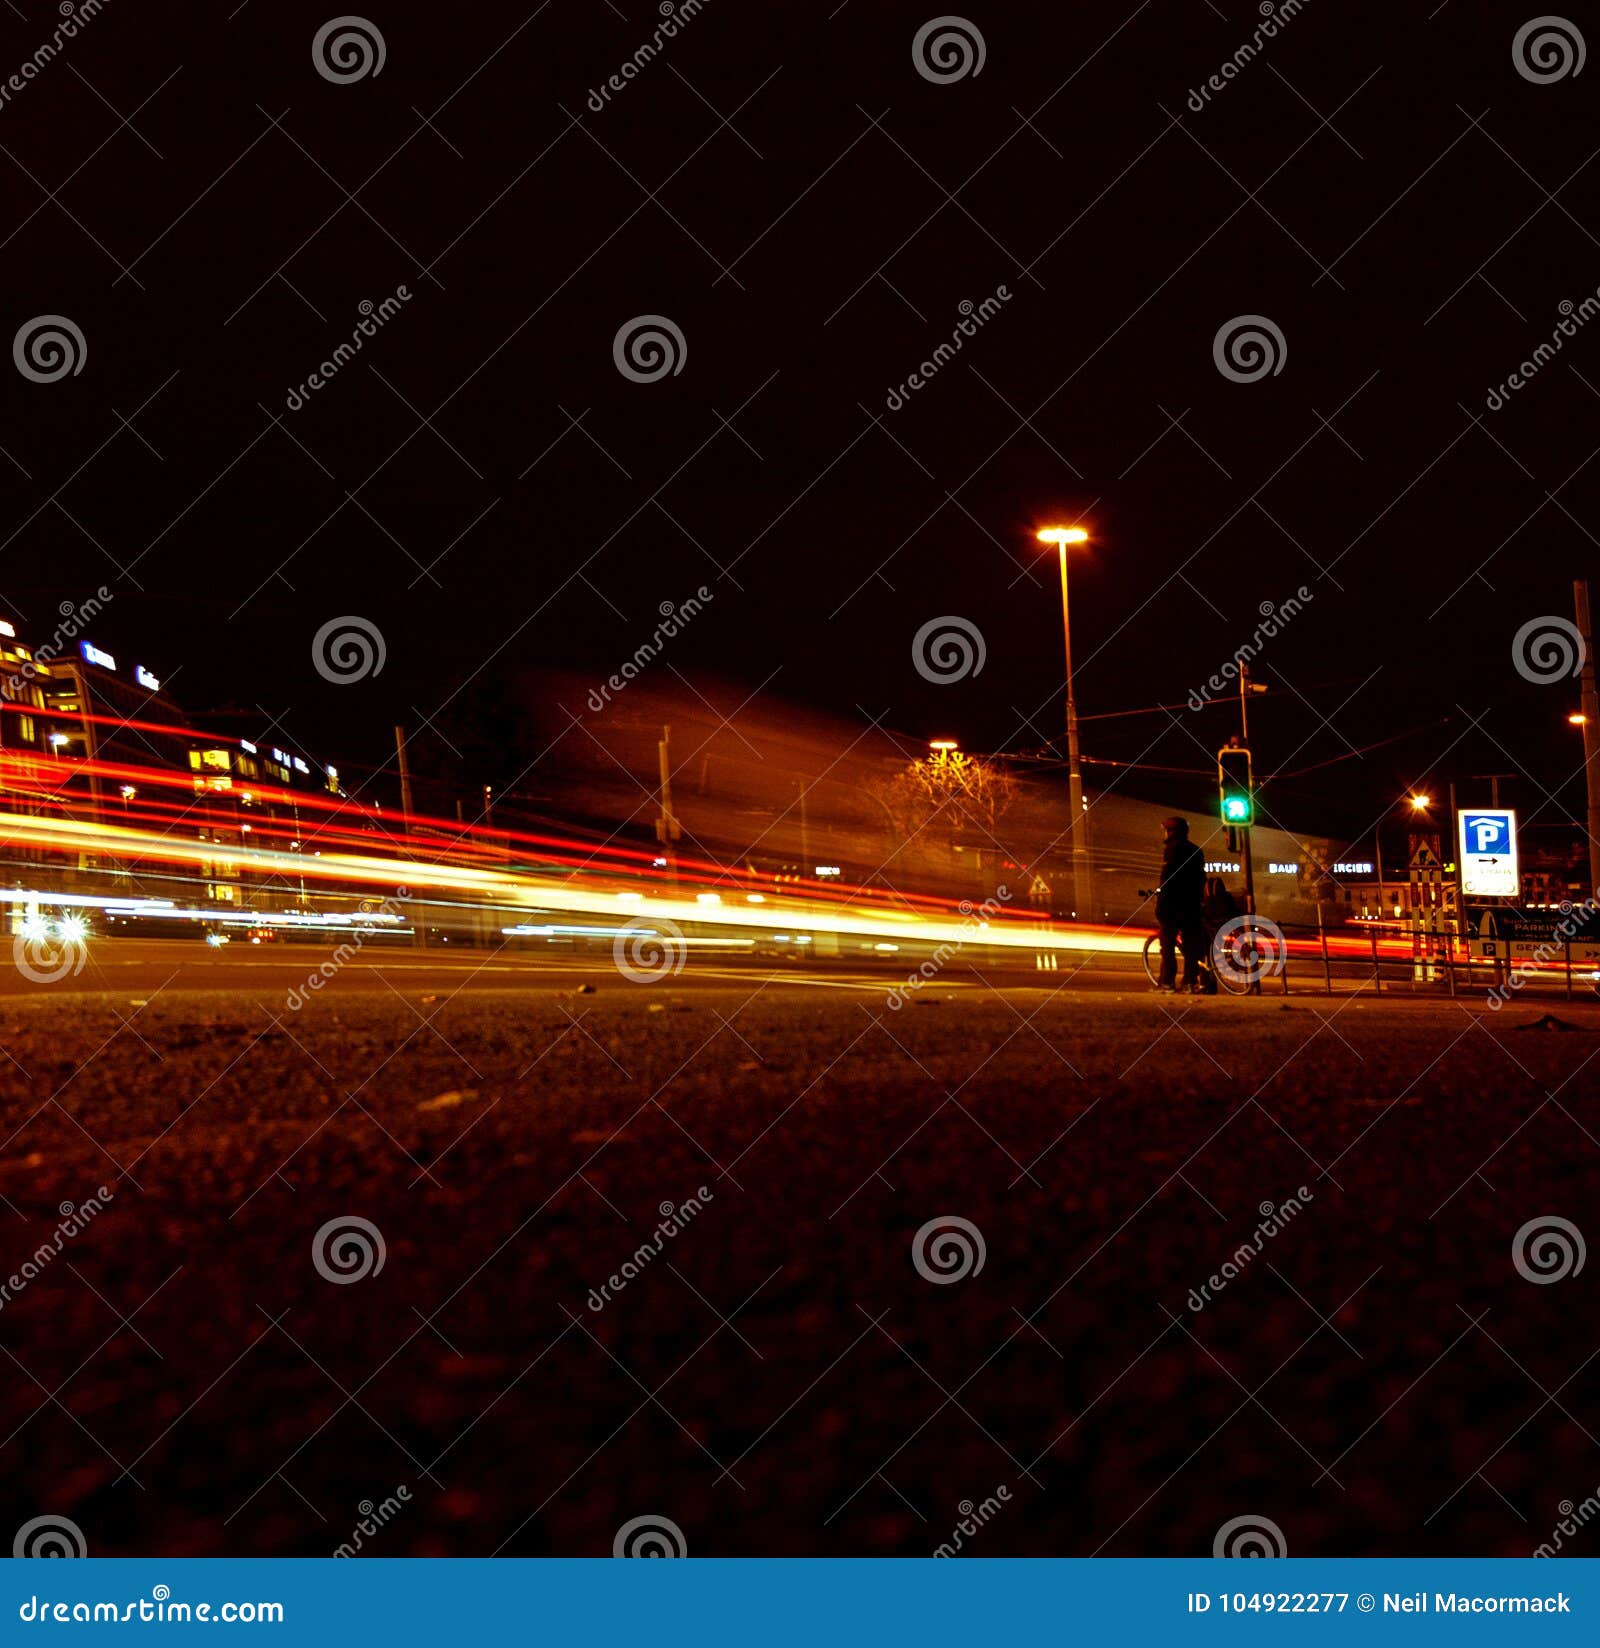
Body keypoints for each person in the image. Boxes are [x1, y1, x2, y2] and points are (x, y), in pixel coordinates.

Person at [1154, 816, 1205, 993]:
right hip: (1192, 906)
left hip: (1172, 906)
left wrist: (1160, 904)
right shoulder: (1197, 851)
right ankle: (1190, 982)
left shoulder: (1172, 850)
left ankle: (1167, 982)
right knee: (1191, 946)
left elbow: (1168, 879)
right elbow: (1201, 879)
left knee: (1167, 944)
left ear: (1171, 831)